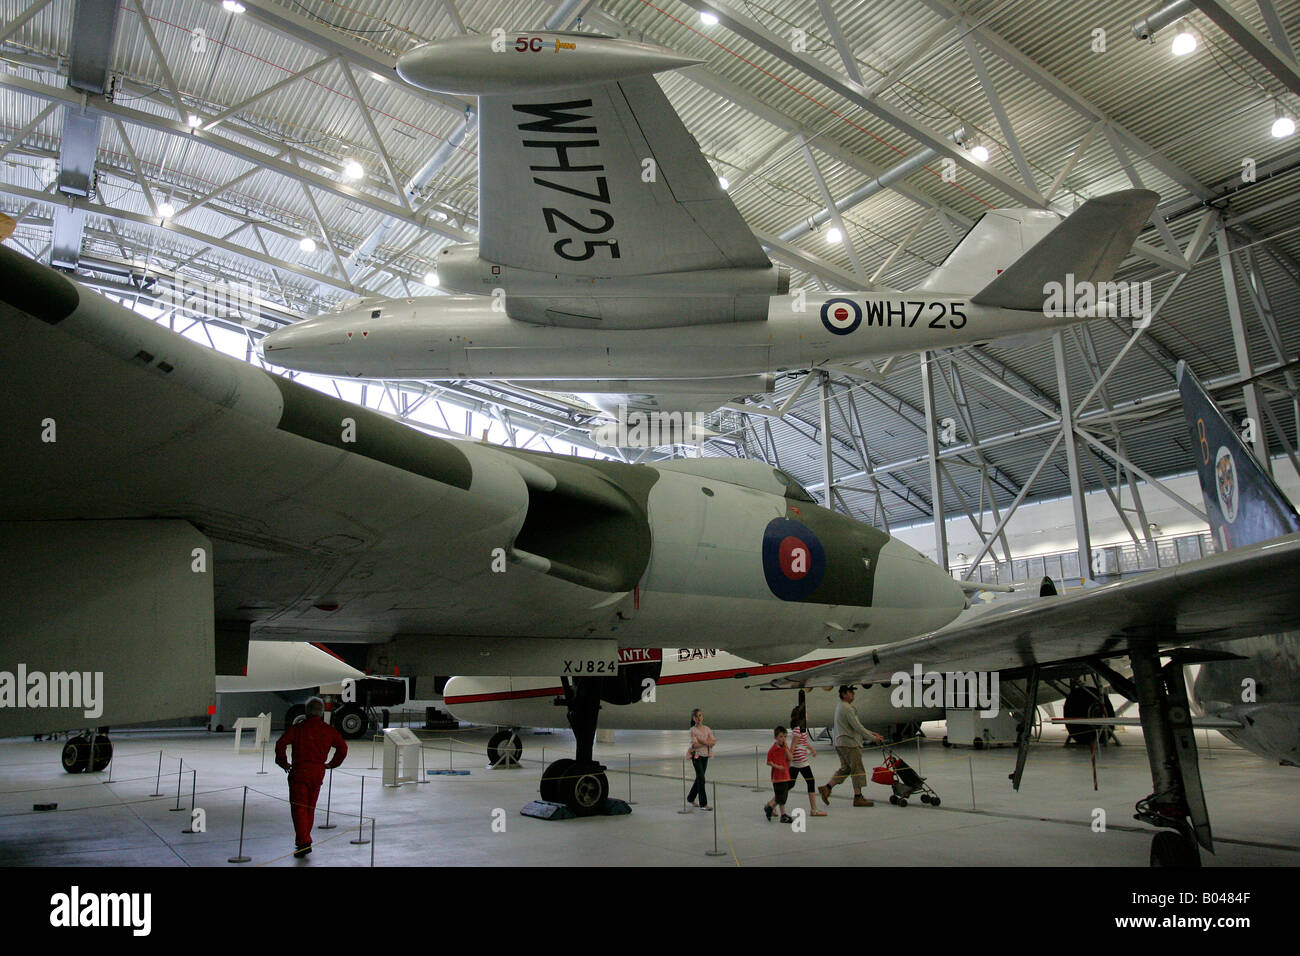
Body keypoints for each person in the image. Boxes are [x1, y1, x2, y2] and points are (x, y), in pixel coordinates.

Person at [275, 697, 348, 857]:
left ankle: (303, 842)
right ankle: (304, 839)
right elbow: (343, 748)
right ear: (322, 712)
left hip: (300, 772)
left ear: (306, 712)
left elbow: (280, 744)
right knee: (310, 807)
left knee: (299, 808)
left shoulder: (298, 729)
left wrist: (283, 762)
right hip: (317, 772)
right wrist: (331, 764)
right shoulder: (328, 730)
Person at [818, 686, 884, 808]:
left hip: (840, 742)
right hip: (850, 743)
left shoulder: (840, 706)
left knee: (846, 769)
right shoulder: (847, 708)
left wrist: (872, 733)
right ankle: (858, 797)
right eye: (850, 692)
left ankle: (827, 788)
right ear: (844, 694)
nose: (853, 694)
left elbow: (856, 726)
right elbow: (857, 727)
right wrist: (873, 738)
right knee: (857, 769)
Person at [788, 705, 826, 817]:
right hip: (800, 760)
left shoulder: (801, 729)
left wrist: (811, 749)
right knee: (810, 781)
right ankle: (814, 809)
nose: (807, 715)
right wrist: (789, 758)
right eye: (805, 713)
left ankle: (773, 804)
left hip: (799, 760)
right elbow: (793, 745)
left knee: (791, 783)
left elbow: (803, 742)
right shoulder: (798, 729)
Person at [686, 707, 716, 810]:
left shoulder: (707, 729)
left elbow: (713, 742)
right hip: (696, 756)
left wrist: (702, 742)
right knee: (702, 779)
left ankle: (690, 798)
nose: (698, 718)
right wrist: (706, 742)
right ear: (693, 719)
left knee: (699, 778)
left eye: (700, 716)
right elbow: (694, 745)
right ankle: (703, 804)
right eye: (696, 716)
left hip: (705, 756)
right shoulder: (692, 730)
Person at [765, 725, 793, 823]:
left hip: (785, 776)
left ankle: (770, 807)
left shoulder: (785, 748)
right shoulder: (773, 749)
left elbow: (790, 758)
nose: (783, 739)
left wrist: (785, 749)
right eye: (781, 737)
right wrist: (777, 766)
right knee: (781, 797)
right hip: (777, 777)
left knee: (783, 796)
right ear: (776, 737)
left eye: (785, 736)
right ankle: (782, 814)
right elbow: (768, 762)